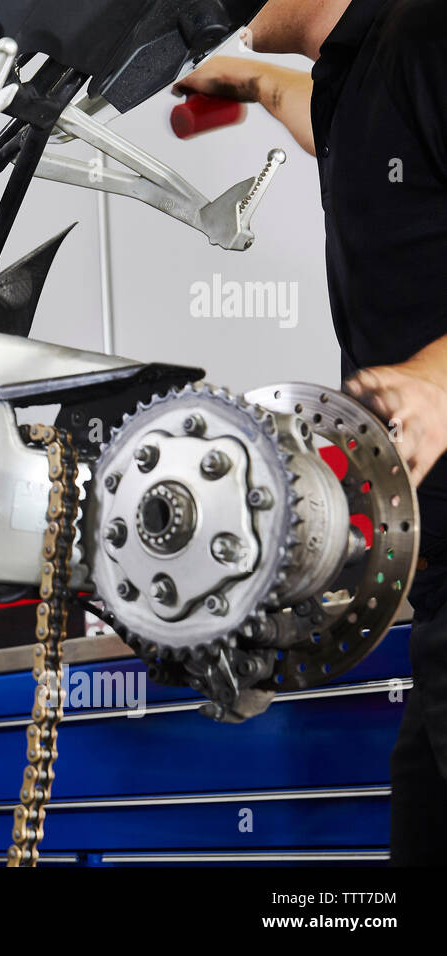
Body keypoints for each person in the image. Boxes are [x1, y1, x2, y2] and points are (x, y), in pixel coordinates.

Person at [176, 0, 447, 865]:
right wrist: (258, 83)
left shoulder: (430, 33)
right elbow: (364, 141)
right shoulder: (358, 74)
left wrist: (439, 379)